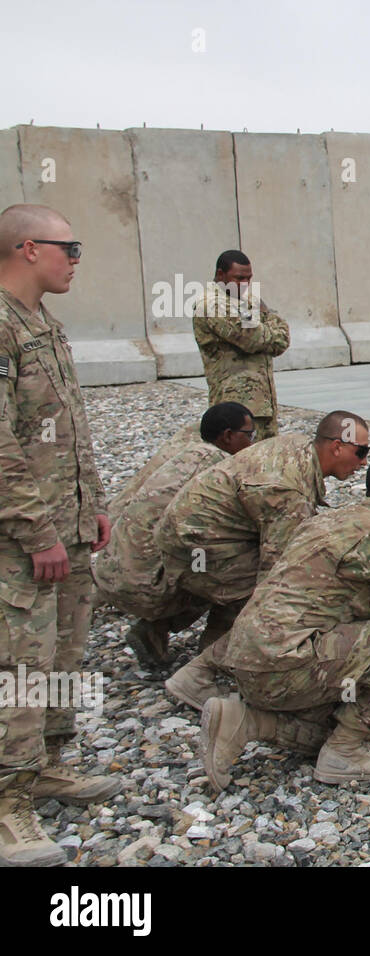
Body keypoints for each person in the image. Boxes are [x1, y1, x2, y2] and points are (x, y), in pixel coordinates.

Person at [197, 445, 370, 790]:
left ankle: (245, 721)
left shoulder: (330, 519)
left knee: (333, 709)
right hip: (286, 665)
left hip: (246, 659)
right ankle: (347, 751)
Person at [0, 203, 119, 866]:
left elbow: (68, 427)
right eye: (68, 247)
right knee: (19, 666)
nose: (76, 258)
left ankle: (47, 762)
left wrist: (91, 506)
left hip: (67, 530)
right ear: (26, 248)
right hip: (23, 540)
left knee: (64, 656)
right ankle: (8, 804)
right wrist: (36, 530)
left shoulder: (45, 323)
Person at [158, 410, 369, 708]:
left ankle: (191, 641)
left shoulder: (298, 448)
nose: (363, 462)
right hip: (198, 550)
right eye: (361, 452)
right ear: (336, 447)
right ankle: (198, 675)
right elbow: (278, 579)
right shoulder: (289, 491)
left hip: (199, 537)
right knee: (282, 604)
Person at [93, 402, 255, 671]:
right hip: (145, 585)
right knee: (246, 566)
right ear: (227, 436)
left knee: (198, 561)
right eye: (248, 435)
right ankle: (211, 658)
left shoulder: (187, 454)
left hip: (112, 575)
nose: (251, 443)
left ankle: (154, 631)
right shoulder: (218, 469)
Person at [192, 250, 290, 439]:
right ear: (221, 275)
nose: (245, 284)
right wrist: (268, 317)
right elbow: (252, 340)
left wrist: (266, 324)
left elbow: (281, 342)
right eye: (238, 278)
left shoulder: (244, 301)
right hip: (235, 409)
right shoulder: (212, 305)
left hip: (261, 405)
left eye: (248, 279)